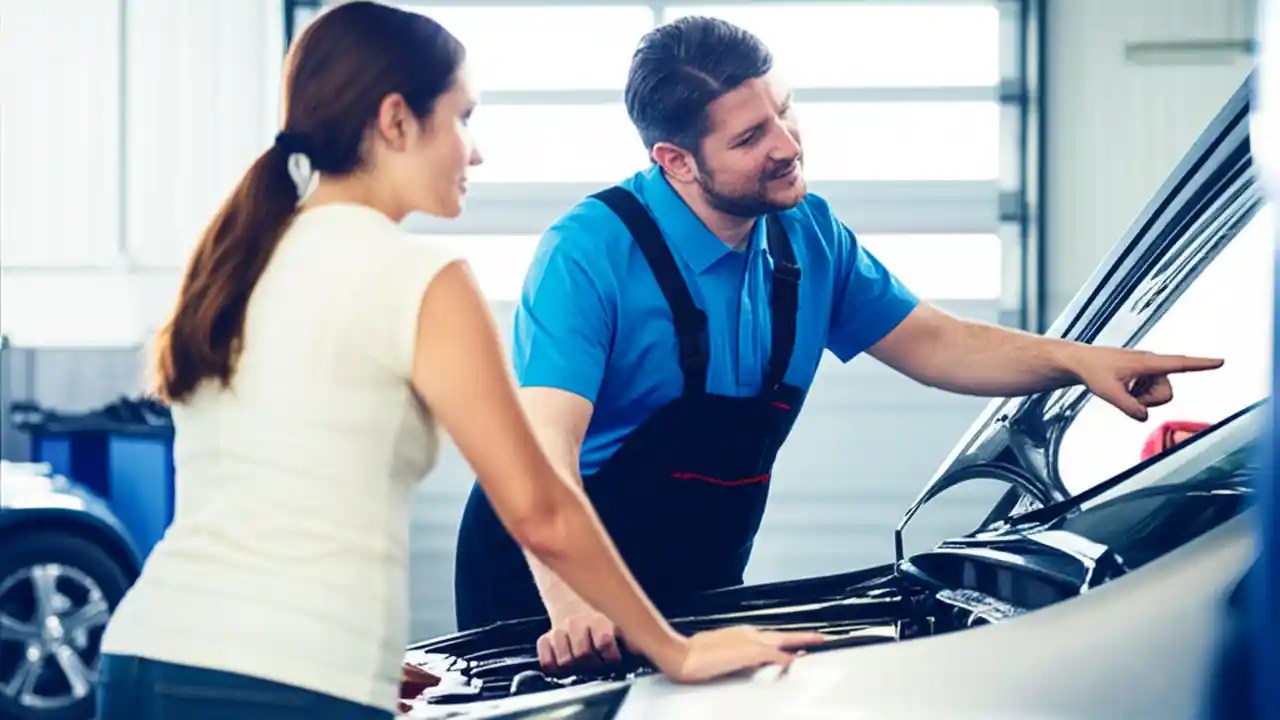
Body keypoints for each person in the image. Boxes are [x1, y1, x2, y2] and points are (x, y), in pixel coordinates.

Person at [94, 4, 823, 719]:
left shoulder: (236, 263)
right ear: (395, 120)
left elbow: (264, 501)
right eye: (462, 118)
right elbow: (537, 507)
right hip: (285, 678)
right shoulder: (420, 279)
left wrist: (371, 655)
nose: (475, 151)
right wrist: (677, 651)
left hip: (147, 653)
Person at [452, 15, 1226, 672]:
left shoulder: (808, 235)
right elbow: (540, 456)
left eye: (786, 112)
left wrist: (1077, 360)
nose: (788, 145)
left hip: (695, 580)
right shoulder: (588, 254)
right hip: (543, 586)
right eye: (753, 136)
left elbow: (939, 344)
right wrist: (570, 600)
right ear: (676, 162)